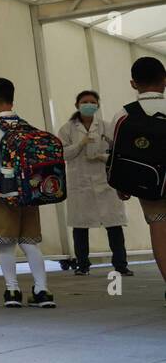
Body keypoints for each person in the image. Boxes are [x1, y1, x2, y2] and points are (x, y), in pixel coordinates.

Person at [0, 77, 55, 308]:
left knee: (6, 243)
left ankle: (12, 291)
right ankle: (42, 290)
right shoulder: (27, 126)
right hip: (29, 193)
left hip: (1, 193)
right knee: (29, 242)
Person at [58, 90, 130, 276]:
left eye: (92, 102)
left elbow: (118, 153)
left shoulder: (106, 127)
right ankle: (83, 265)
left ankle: (120, 264)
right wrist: (80, 144)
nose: (88, 104)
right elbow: (63, 154)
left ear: (97, 105)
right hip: (80, 182)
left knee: (113, 224)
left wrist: (103, 157)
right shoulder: (67, 129)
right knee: (80, 225)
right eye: (84, 102)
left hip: (104, 182)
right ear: (77, 105)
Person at [110, 56, 166, 295]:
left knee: (159, 227)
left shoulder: (124, 113)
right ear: (165, 80)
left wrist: (121, 185)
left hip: (148, 184)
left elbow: (117, 153)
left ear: (134, 84)